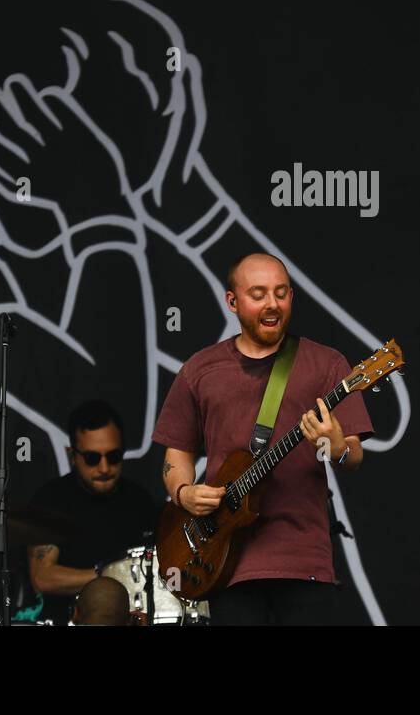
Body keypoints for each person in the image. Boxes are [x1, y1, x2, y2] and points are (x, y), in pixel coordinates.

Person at [151, 252, 374, 625]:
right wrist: (184, 492)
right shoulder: (200, 370)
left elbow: (353, 457)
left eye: (281, 293)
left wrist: (336, 448)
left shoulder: (327, 364)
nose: (272, 304)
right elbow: (177, 454)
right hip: (225, 563)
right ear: (232, 301)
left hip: (304, 563)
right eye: (258, 294)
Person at [26, 400, 160, 624]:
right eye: (92, 458)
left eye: (114, 456)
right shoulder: (51, 499)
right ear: (73, 455)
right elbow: (43, 578)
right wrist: (117, 576)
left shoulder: (141, 501)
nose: (104, 468)